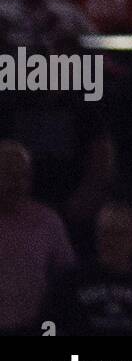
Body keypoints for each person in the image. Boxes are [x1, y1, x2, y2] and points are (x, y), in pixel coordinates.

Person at [42, 202, 132, 336]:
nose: (111, 241)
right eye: (105, 233)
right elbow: (49, 326)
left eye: (119, 234)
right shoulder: (71, 282)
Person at [0, 140, 77, 334]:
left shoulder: (47, 221)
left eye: (22, 176)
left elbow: (67, 278)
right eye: (8, 175)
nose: (16, 183)